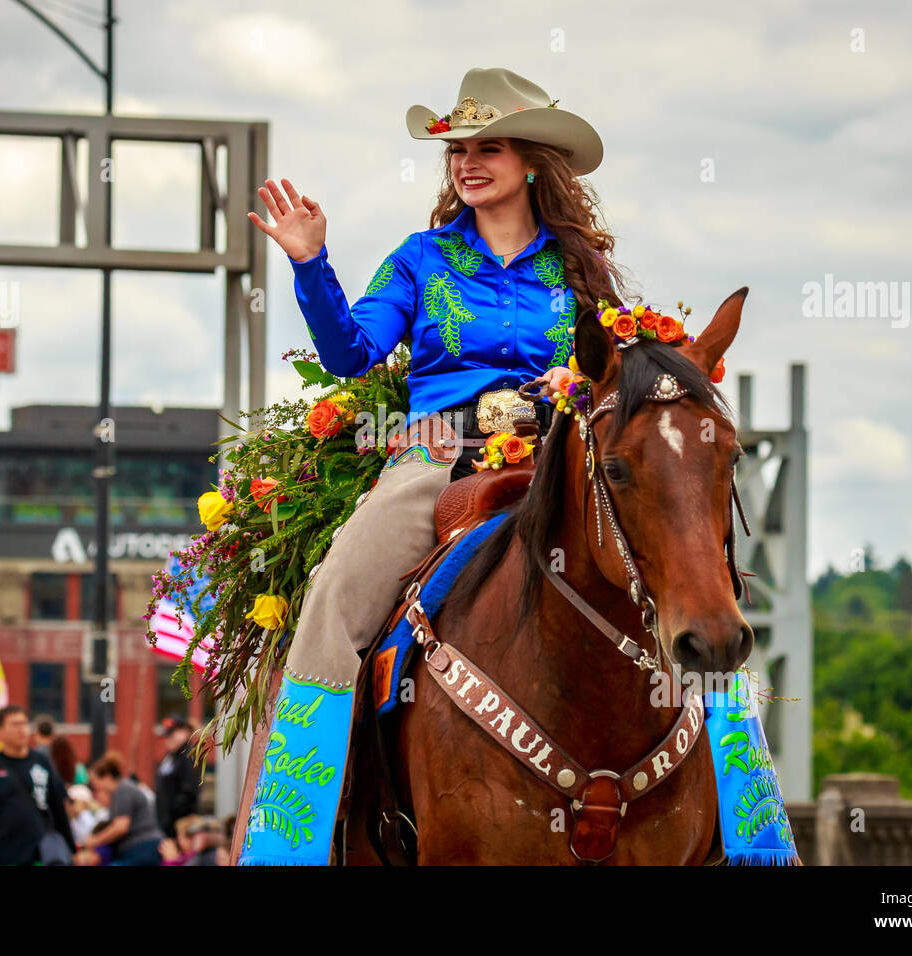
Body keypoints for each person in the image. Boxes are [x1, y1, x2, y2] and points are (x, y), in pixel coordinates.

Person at [241, 66, 626, 864]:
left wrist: (587, 386)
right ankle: (289, 841)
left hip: (563, 457)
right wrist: (311, 262)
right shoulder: (421, 259)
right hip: (437, 462)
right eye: (457, 149)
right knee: (333, 595)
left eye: (489, 147)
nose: (466, 162)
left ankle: (747, 825)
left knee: (676, 584)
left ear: (532, 162)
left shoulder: (581, 268)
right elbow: (350, 356)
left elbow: (616, 369)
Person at [0, 705, 75, 866]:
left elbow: (59, 808)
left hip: (39, 855)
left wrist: (72, 849)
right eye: (15, 725)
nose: (22, 729)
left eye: (24, 724)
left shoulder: (42, 763)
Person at [82, 753, 164, 866]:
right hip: (140, 848)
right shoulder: (121, 791)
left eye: (94, 780)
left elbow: (120, 827)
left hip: (142, 848)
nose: (94, 785)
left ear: (107, 778)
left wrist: (95, 841)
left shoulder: (123, 790)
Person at [154, 717, 201, 838]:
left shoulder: (189, 756)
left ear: (185, 731)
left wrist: (172, 813)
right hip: (167, 825)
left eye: (171, 735)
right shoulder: (171, 757)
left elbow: (189, 791)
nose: (167, 739)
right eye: (166, 736)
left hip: (181, 827)